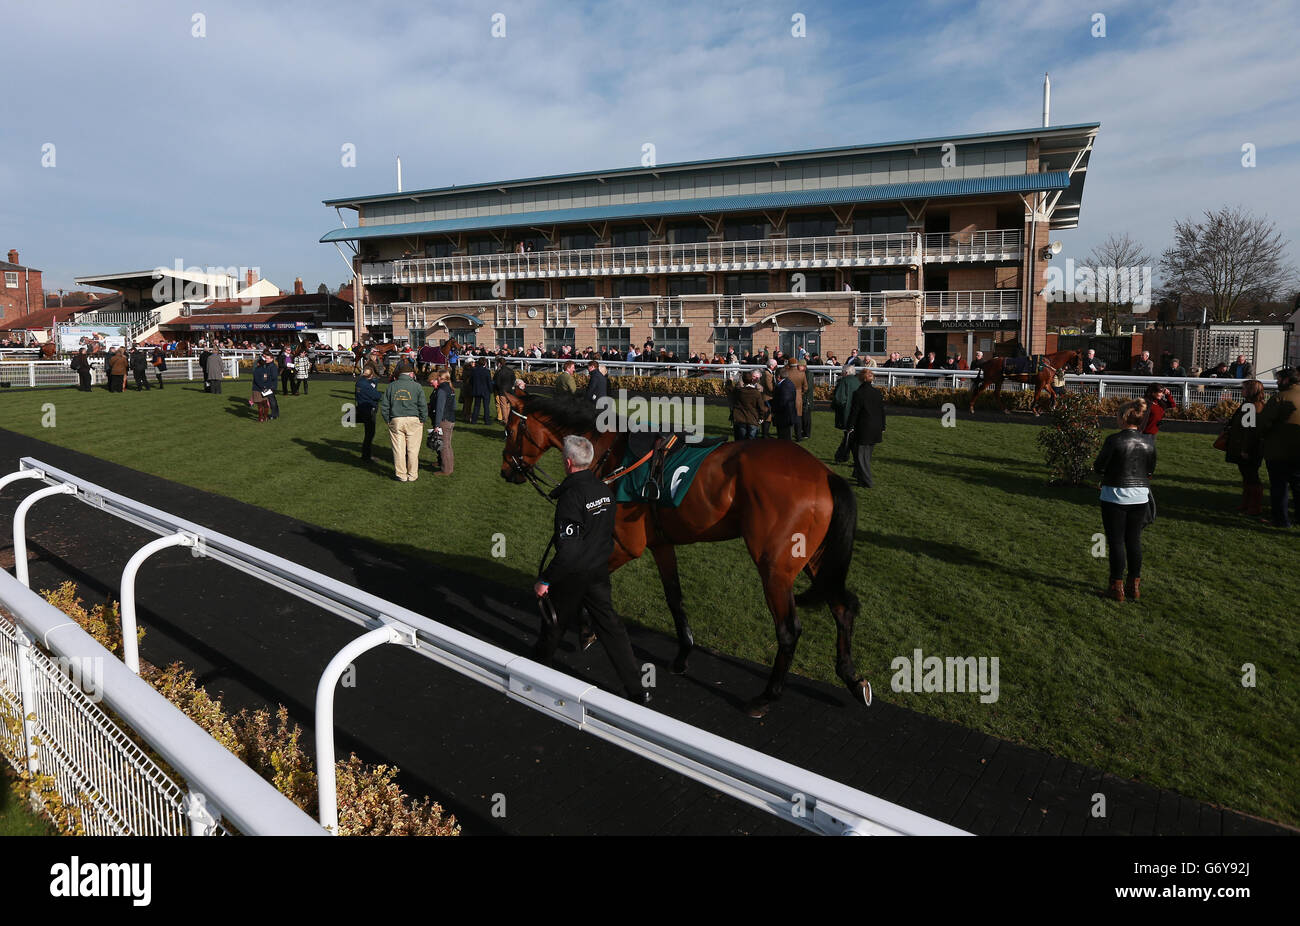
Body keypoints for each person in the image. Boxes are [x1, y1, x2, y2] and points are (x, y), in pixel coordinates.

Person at [533, 435, 649, 704]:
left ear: (568, 462)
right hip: (598, 571)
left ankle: (536, 668)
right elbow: (605, 536)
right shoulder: (605, 492)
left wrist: (546, 579)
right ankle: (636, 689)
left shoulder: (571, 497)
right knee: (611, 628)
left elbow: (569, 550)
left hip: (574, 574)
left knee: (554, 621)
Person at [1093, 399, 1157, 602]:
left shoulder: (1114, 440)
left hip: (1114, 494)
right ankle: (1134, 585)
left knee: (1116, 541)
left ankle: (1116, 586)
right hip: (1140, 495)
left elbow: (1099, 466)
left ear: (1122, 418)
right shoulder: (1148, 441)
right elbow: (1150, 469)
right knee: (1134, 540)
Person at [1258, 367, 1300, 528]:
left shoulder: (1279, 398)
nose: (1277, 382)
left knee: (1279, 486)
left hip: (1279, 450)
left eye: (1279, 379)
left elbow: (1264, 423)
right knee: (1297, 485)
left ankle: (1281, 520)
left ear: (1287, 380)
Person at [1222, 379, 1266, 516]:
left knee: (1251, 477)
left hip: (1248, 448)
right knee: (1248, 477)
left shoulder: (1251, 406)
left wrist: (1245, 449)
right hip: (1249, 447)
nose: (1242, 391)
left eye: (1244, 388)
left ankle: (1254, 507)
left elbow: (1250, 431)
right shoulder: (1252, 404)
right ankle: (1247, 504)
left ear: (1251, 390)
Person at [380, 362, 427, 482]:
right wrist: (423, 419)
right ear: (411, 374)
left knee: (398, 449)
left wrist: (387, 419)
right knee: (413, 450)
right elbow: (422, 405)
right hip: (413, 420)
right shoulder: (417, 386)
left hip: (396, 419)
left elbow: (385, 405)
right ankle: (412, 475)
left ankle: (401, 475)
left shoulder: (392, 386)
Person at [846, 369, 886, 488]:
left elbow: (855, 412)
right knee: (866, 455)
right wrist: (883, 426)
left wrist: (849, 426)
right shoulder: (877, 392)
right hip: (876, 427)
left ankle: (867, 481)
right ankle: (860, 477)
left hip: (864, 427)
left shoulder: (858, 393)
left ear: (862, 378)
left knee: (861, 456)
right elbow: (881, 411)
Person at [430, 369, 457, 475]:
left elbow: (439, 409)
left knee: (444, 446)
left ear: (440, 378)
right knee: (448, 445)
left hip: (444, 421)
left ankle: (446, 470)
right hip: (451, 419)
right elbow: (454, 406)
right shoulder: (450, 389)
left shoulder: (441, 390)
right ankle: (448, 467)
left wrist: (436, 425)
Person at [729, 370, 768, 440]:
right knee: (751, 444)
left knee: (741, 442)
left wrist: (729, 381)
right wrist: (761, 418)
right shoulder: (756, 393)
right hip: (753, 419)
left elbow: (729, 389)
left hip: (740, 418)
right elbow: (761, 408)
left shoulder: (739, 391)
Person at [355, 363, 381, 463]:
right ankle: (366, 456)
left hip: (361, 408)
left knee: (368, 433)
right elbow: (377, 396)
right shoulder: (367, 385)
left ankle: (366, 455)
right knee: (369, 434)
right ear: (370, 375)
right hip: (368, 410)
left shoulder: (359, 382)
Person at [493, 356, 519, 436]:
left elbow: (497, 382)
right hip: (510, 391)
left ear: (499, 363)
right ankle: (508, 419)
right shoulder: (510, 371)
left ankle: (505, 420)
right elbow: (514, 380)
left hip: (502, 391)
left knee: (503, 406)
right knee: (508, 406)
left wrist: (499, 388)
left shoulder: (499, 372)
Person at [771, 366, 798, 440]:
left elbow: (783, 402)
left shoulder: (785, 386)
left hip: (785, 417)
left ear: (778, 376)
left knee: (784, 438)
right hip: (785, 416)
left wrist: (773, 409)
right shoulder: (786, 383)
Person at [250, 351, 278, 422]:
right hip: (267, 386)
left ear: (272, 359)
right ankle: (272, 414)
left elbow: (274, 377)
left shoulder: (273, 366)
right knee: (268, 401)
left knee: (272, 401)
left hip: (270, 386)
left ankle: (274, 414)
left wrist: (267, 384)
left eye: (267, 358)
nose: (266, 360)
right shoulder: (267, 366)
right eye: (265, 358)